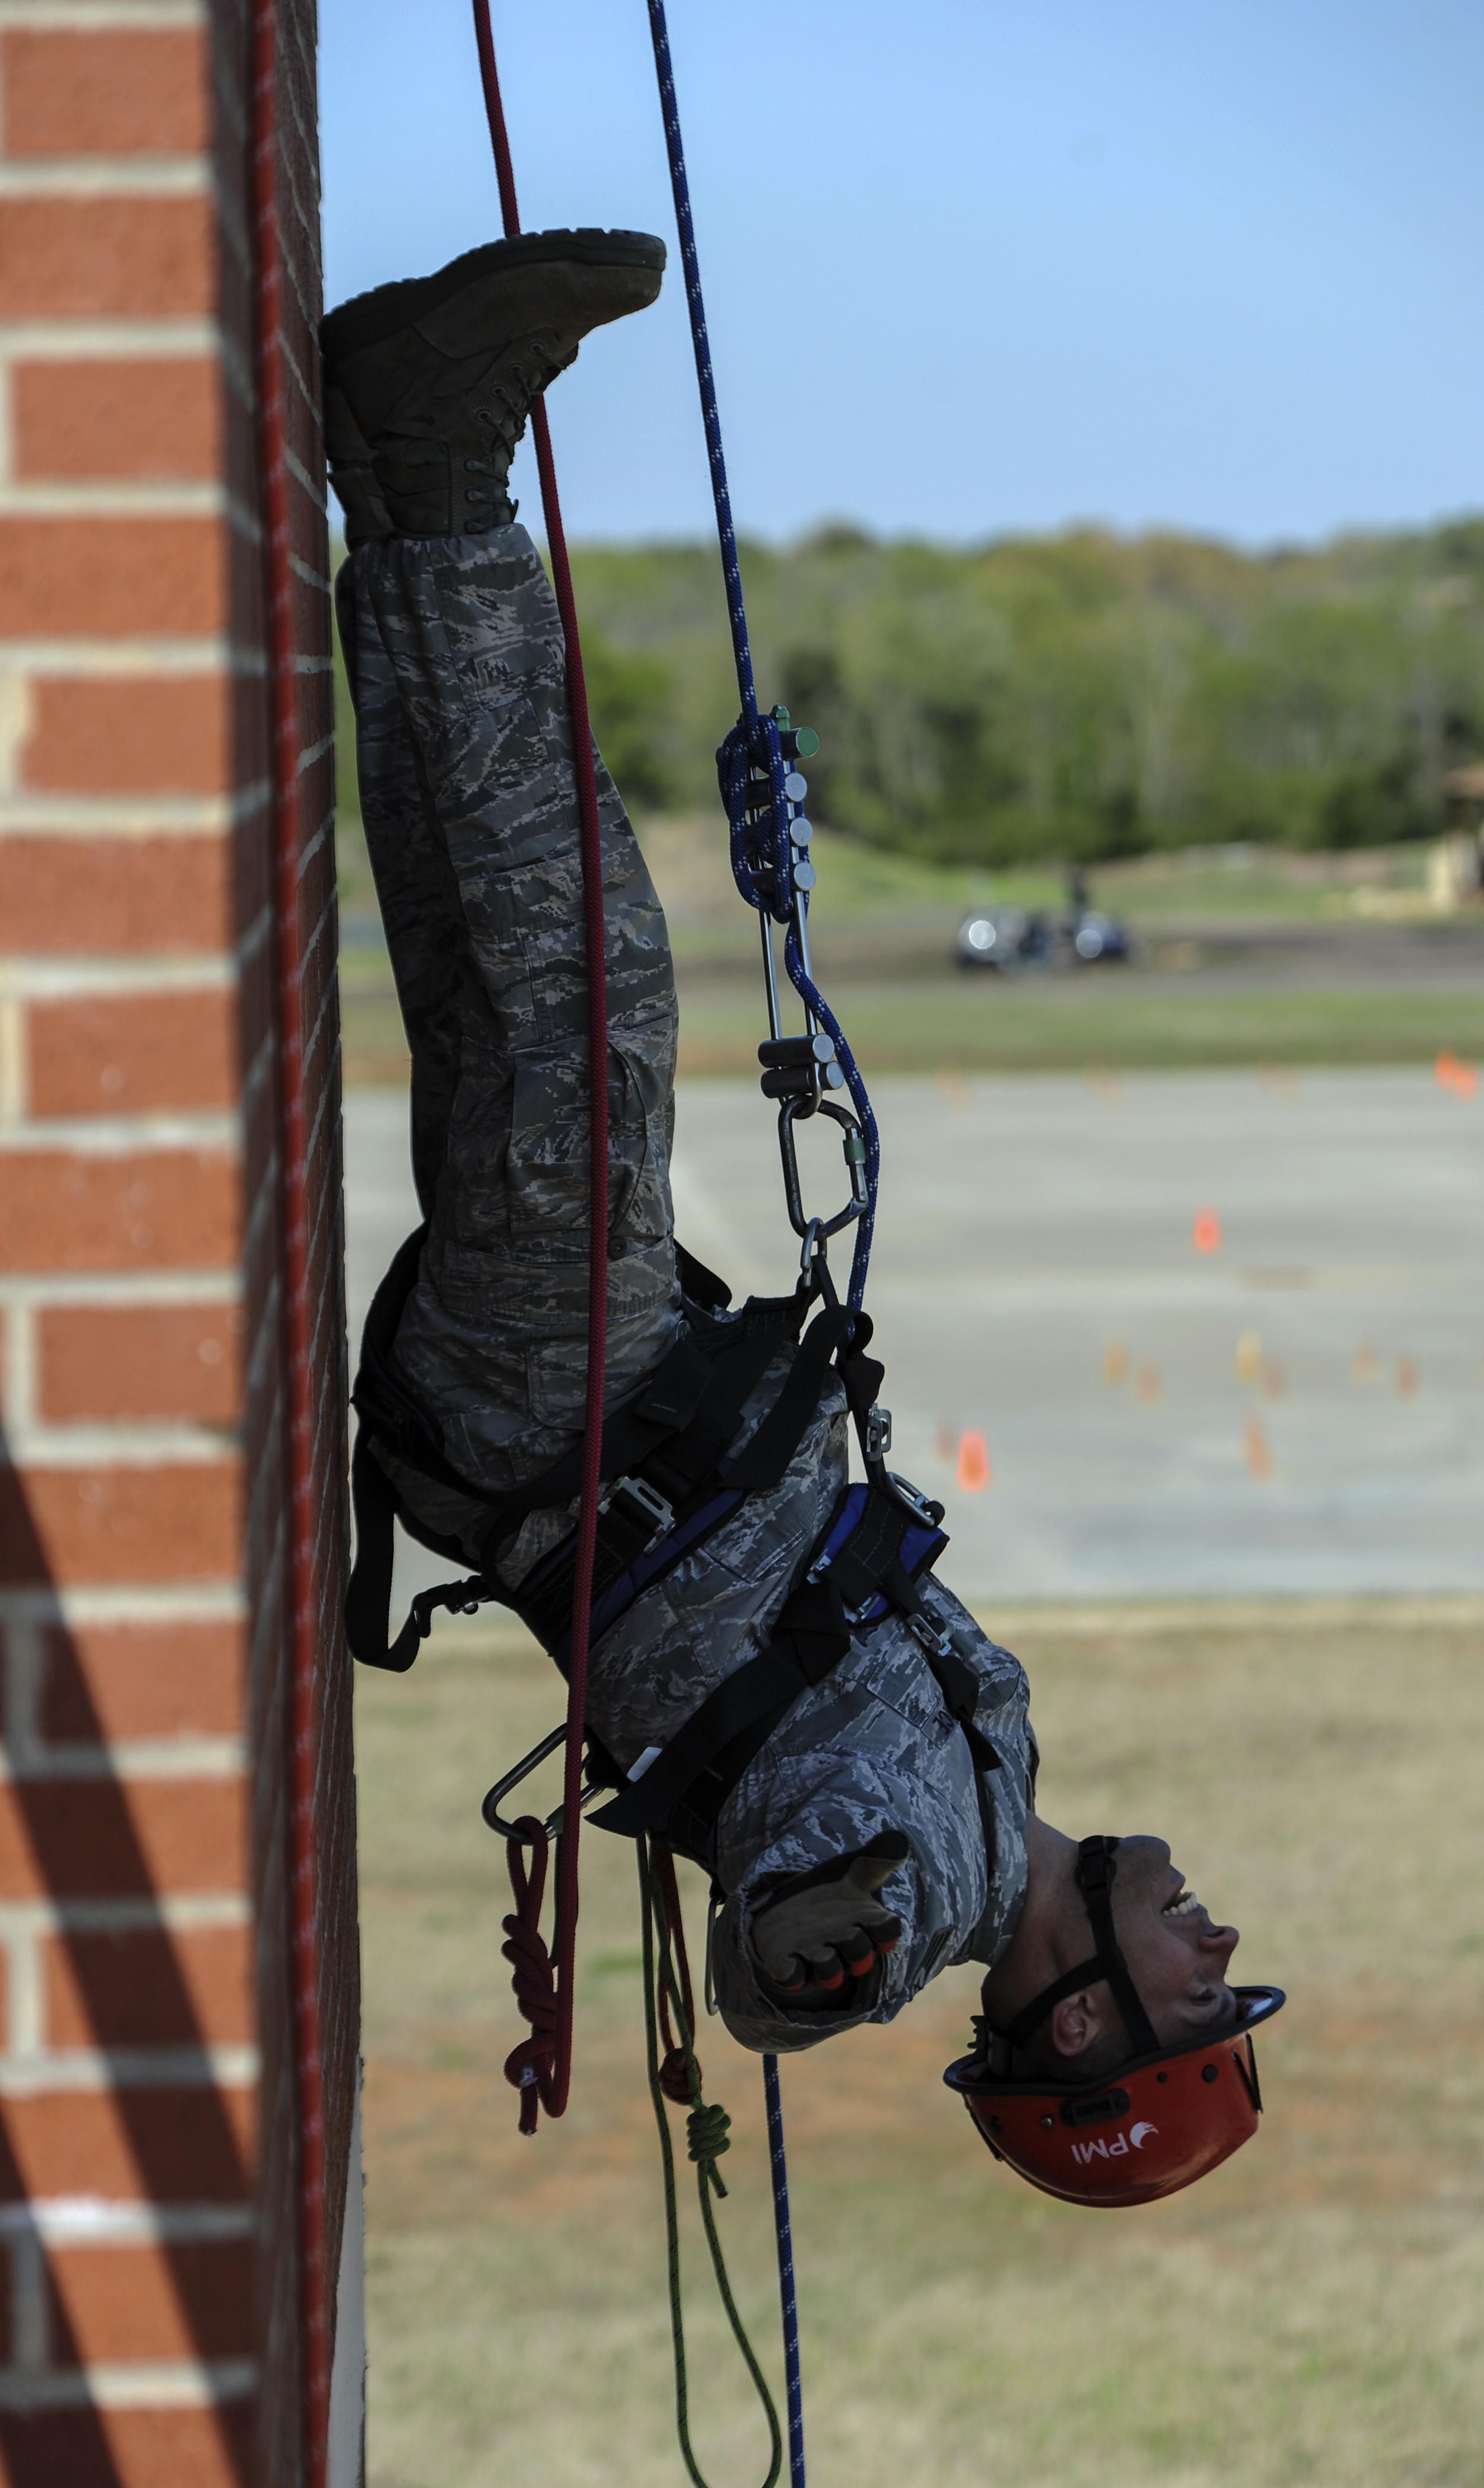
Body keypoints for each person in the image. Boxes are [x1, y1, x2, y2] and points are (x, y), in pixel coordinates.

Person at [323, 230, 1279, 2200]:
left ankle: (427, 483)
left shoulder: (909, 1895)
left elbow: (788, 1974)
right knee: (544, 989)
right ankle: (419, 502)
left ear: (1085, 2018)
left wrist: (815, 1952)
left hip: (557, 1417)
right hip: (632, 1383)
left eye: (1206, 1991)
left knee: (576, 1004)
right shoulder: (999, 1799)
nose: (1224, 1943)